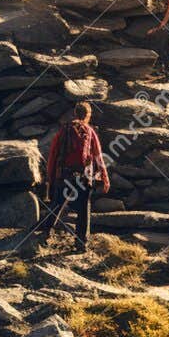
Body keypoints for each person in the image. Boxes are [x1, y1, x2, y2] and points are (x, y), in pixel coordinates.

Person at [31, 102, 108, 253]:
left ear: (74, 113)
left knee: (57, 204)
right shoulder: (90, 132)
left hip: (64, 175)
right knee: (83, 209)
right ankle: (81, 243)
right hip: (84, 177)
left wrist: (51, 177)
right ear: (88, 115)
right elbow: (98, 156)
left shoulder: (63, 131)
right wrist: (105, 177)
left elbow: (53, 155)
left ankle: (45, 234)